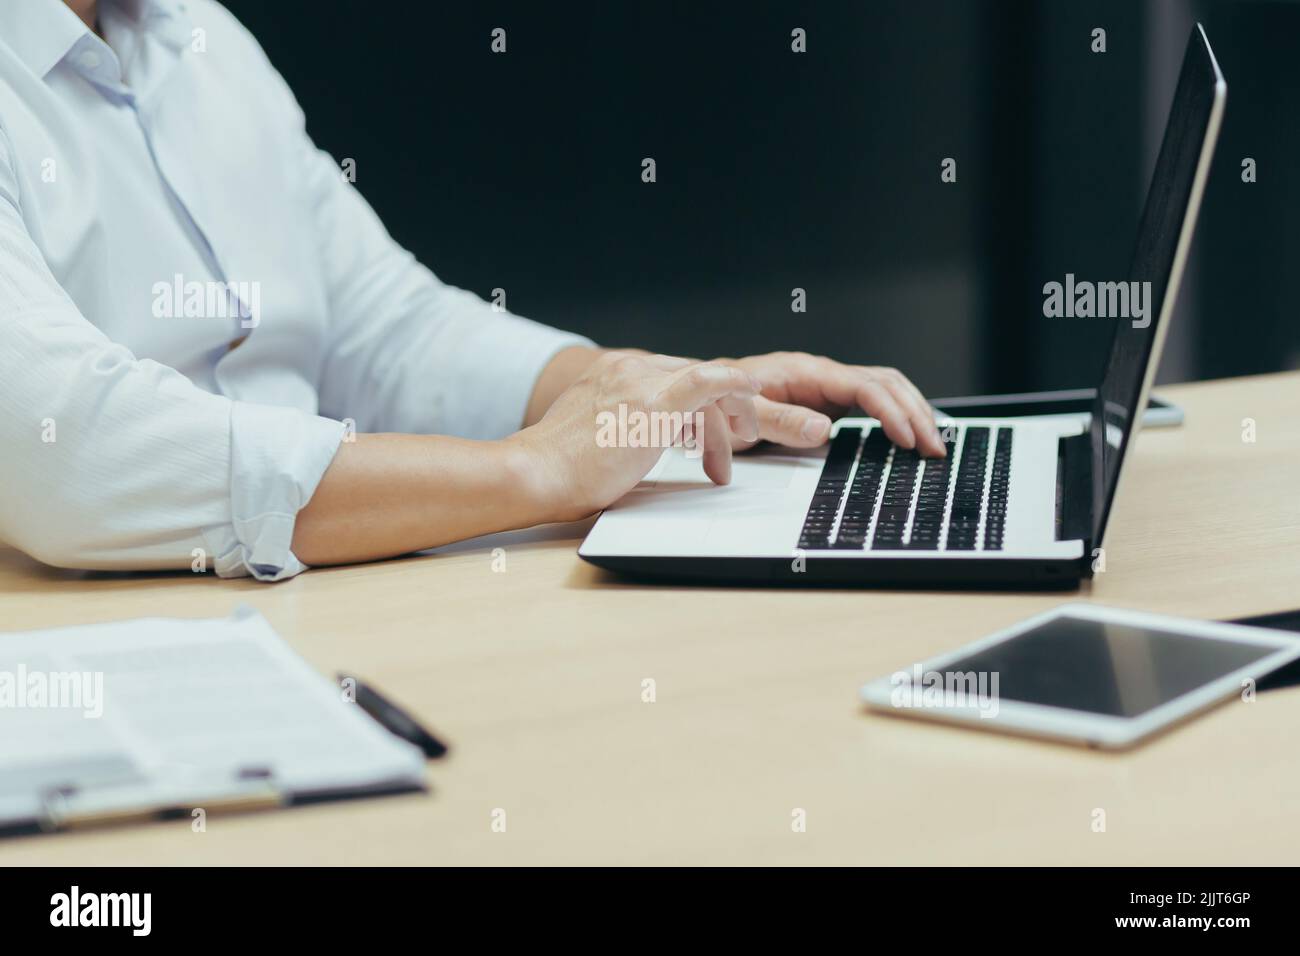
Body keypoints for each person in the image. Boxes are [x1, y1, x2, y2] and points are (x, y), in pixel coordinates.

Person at [0, 0, 944, 581]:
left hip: (320, 610)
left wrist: (645, 391)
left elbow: (385, 327)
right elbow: (70, 455)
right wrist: (532, 472)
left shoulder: (199, 38)